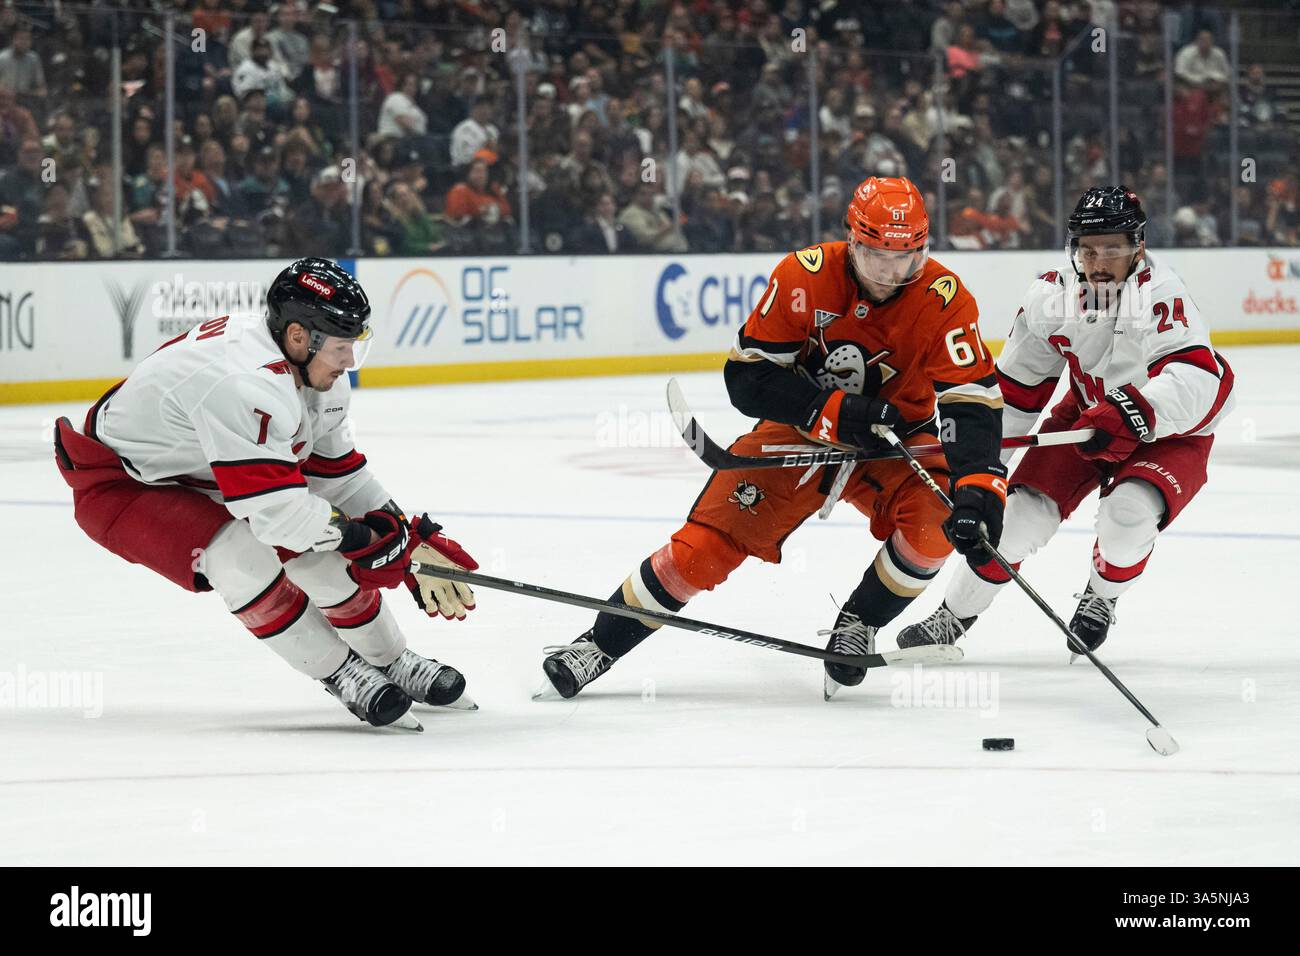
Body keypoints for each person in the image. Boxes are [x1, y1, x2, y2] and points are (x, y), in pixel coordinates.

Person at [537, 178, 1007, 700]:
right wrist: (831, 411)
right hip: (801, 430)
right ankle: (599, 644)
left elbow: (972, 400)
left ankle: (859, 622)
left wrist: (978, 484)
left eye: (906, 259)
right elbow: (747, 379)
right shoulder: (803, 276)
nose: (892, 274)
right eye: (878, 256)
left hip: (895, 442)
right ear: (853, 240)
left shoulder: (946, 301)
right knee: (702, 550)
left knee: (936, 525)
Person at [52, 259, 481, 729]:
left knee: (316, 553)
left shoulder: (313, 374)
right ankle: (342, 673)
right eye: (342, 348)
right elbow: (276, 515)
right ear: (299, 337)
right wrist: (365, 541)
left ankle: (392, 659)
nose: (348, 363)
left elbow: (337, 474)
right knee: (239, 557)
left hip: (204, 468)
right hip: (124, 484)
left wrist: (403, 533)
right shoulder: (244, 383)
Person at [898, 187, 1235, 655]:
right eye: (1087, 248)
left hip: (1172, 429)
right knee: (1016, 518)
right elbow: (1016, 396)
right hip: (1088, 417)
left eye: (1112, 249)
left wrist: (1134, 412)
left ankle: (1102, 594)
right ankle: (950, 619)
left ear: (1137, 247)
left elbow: (1197, 377)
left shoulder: (1162, 294)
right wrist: (978, 470)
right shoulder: (1050, 297)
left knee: (1127, 518)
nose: (1098, 261)